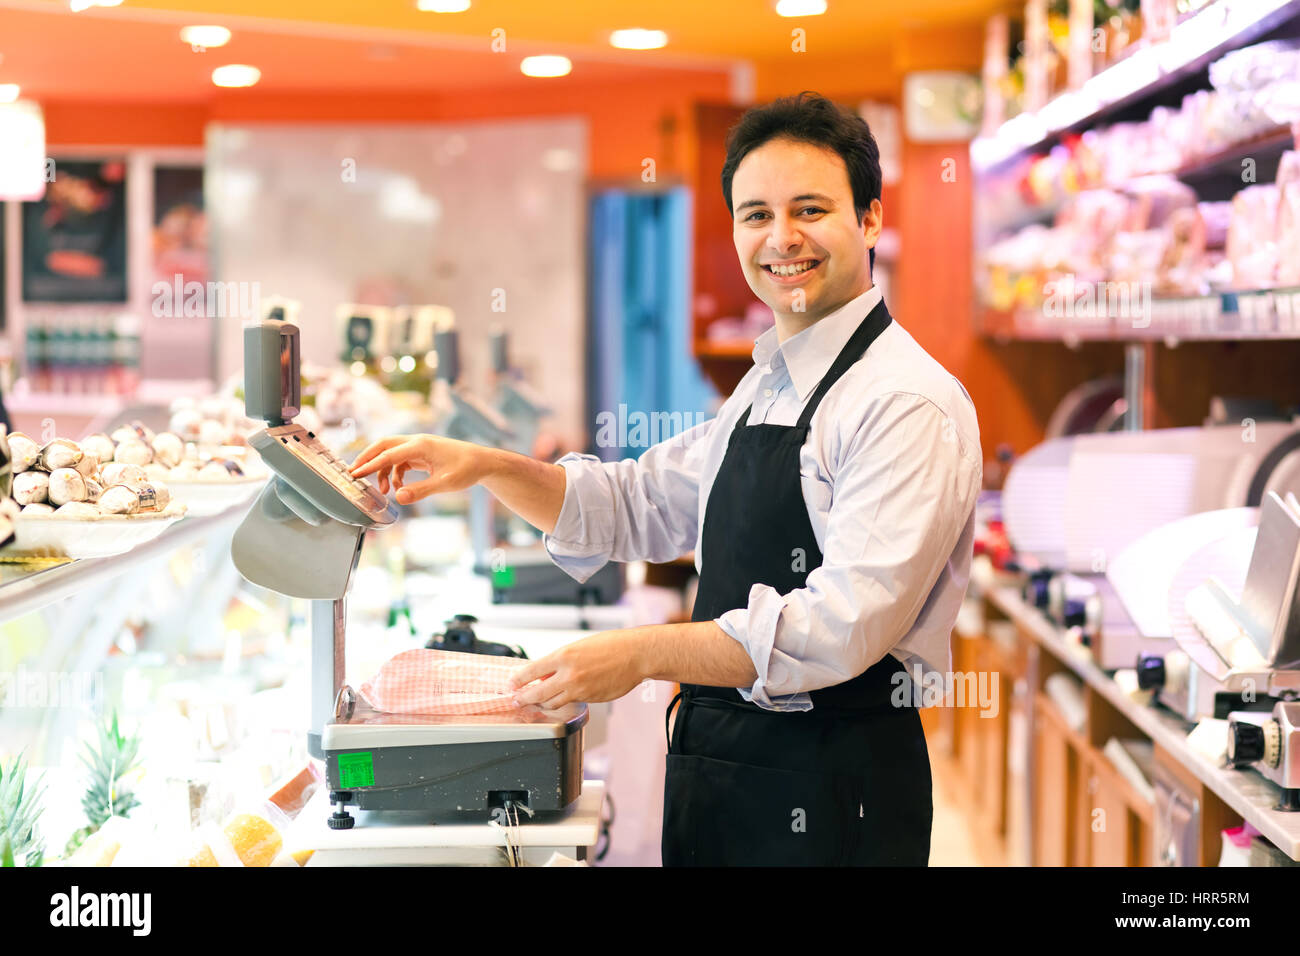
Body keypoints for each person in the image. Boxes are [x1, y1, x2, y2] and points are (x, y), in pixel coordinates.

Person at [351, 91, 981, 866]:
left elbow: (841, 626)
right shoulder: (768, 382)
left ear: (871, 220)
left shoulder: (904, 403)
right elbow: (634, 503)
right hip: (722, 771)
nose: (781, 238)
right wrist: (484, 464)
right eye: (755, 215)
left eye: (810, 209)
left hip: (833, 789)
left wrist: (642, 652)